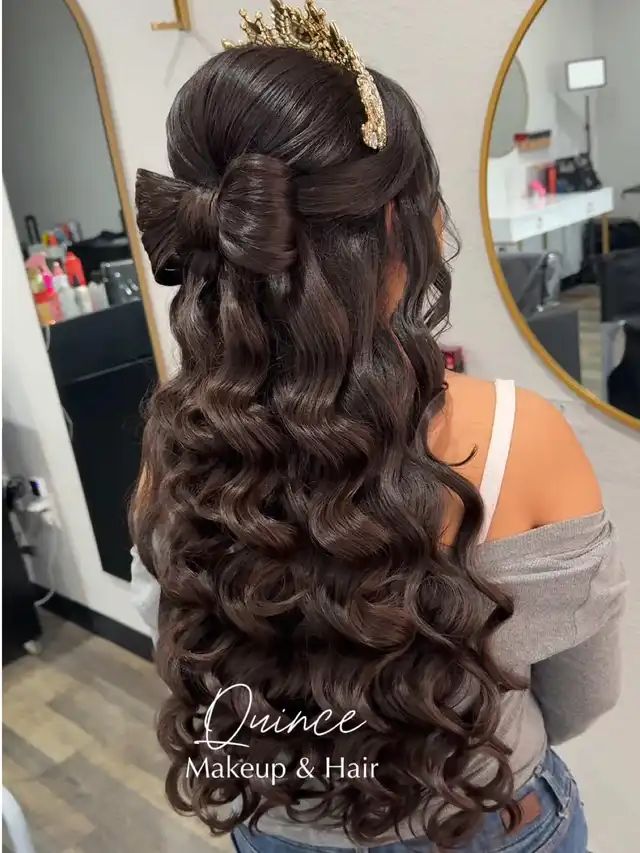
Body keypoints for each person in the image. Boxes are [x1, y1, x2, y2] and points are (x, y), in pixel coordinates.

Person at [129, 3, 626, 851]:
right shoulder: (523, 436)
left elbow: (188, 660)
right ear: (401, 226)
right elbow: (584, 694)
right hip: (486, 818)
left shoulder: (172, 450)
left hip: (276, 828)